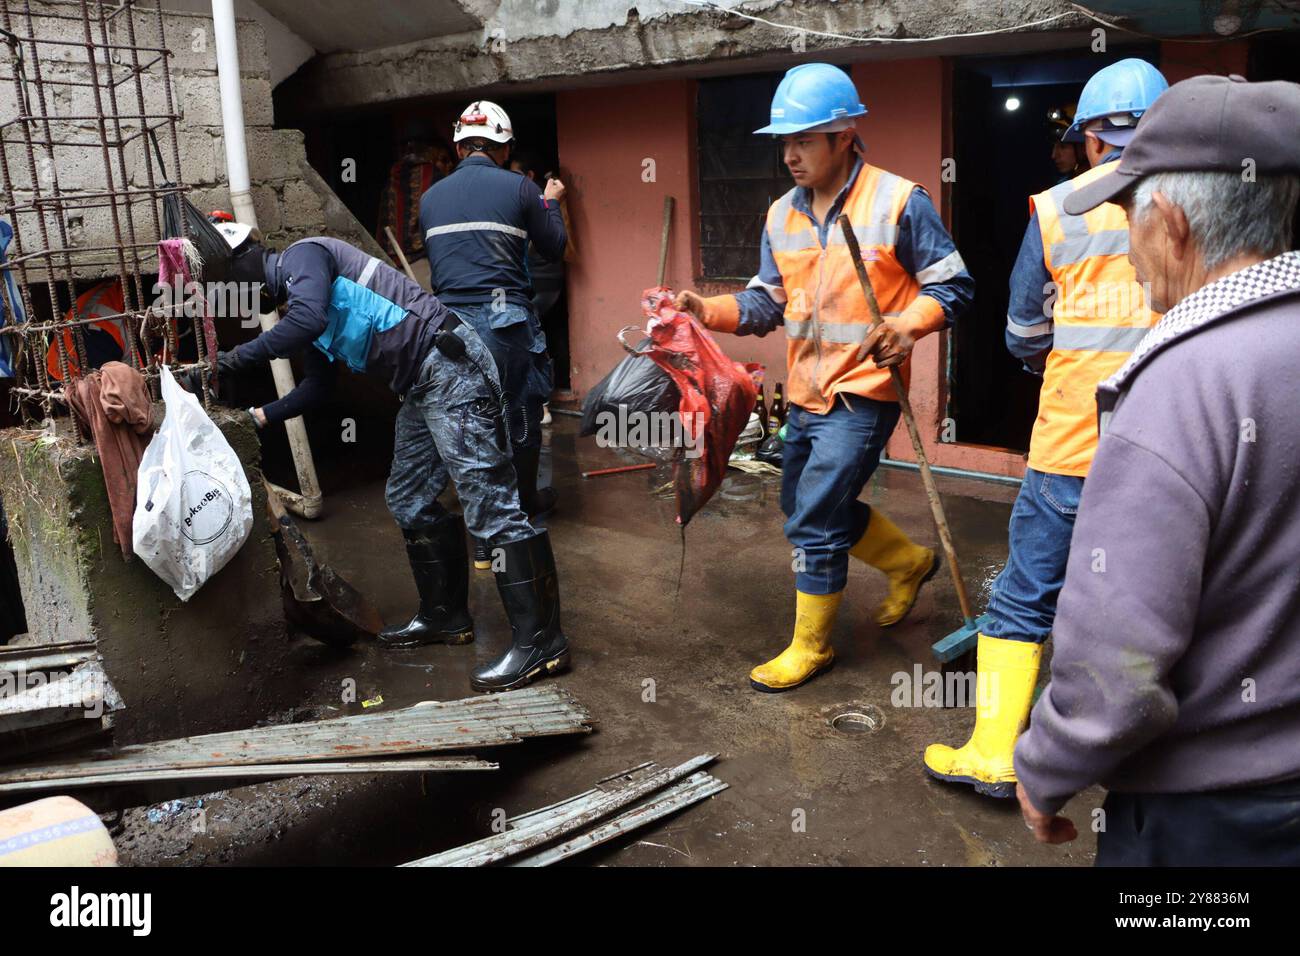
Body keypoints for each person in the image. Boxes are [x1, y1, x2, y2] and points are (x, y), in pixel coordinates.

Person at [1013, 74, 1300, 865]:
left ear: (1169, 224)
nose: (1126, 246)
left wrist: (1045, 767)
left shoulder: (1179, 384)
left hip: (1209, 819)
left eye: (1129, 218)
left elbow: (1120, 666)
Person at [675, 63, 974, 693]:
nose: (789, 155)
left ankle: (811, 646)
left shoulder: (898, 201)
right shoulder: (781, 214)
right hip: (806, 391)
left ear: (845, 136)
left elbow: (954, 286)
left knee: (812, 516)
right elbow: (766, 302)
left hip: (864, 391)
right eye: (783, 142)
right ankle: (909, 563)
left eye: (803, 140)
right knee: (799, 503)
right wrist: (708, 309)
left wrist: (907, 326)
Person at [924, 58, 1167, 798]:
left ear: (1091, 139)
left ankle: (996, 758)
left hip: (1070, 443)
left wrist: (1060, 365)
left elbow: (1024, 329)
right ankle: (1127, 758)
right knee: (1146, 600)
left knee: (1027, 593)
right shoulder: (1208, 213)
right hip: (1168, 453)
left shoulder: (1058, 211)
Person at [212, 228, 571, 693]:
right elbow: (317, 387)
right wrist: (257, 418)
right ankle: (446, 617)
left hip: (450, 367)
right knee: (408, 497)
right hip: (423, 384)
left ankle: (543, 642)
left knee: (491, 508)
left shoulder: (306, 258)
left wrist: (234, 359)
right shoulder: (304, 301)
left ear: (245, 264)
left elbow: (306, 319)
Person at [418, 101, 566, 569]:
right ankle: (516, 522)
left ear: (460, 146)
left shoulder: (430, 198)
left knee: (470, 429)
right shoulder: (521, 188)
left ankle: (483, 544)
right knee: (520, 422)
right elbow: (555, 247)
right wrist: (551, 202)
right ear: (504, 150)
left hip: (449, 328)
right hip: (505, 326)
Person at [1046, 104, 1085, 182]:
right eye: (1054, 146)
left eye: (1063, 147)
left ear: (1084, 146)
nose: (1054, 155)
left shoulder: (1104, 180)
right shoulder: (1064, 185)